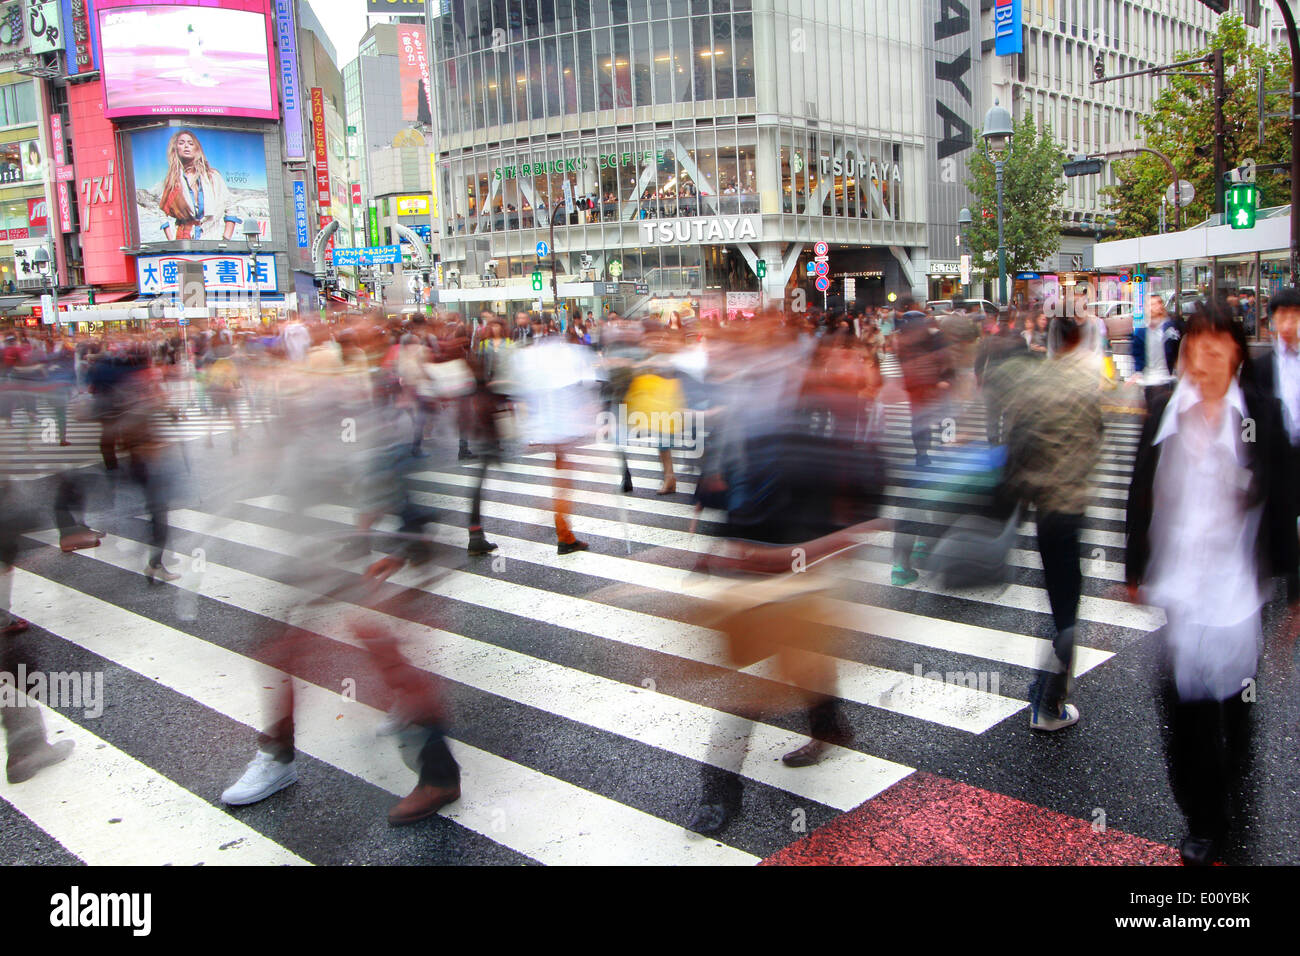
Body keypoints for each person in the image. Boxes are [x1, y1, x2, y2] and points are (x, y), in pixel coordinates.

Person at [1125, 303, 1299, 866]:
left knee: (1236, 710)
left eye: (1217, 346)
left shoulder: (1259, 416)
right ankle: (1205, 818)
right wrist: (1133, 568)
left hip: (1236, 591)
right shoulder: (1162, 413)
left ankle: (1230, 802)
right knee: (1182, 713)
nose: (1204, 357)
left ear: (1236, 356)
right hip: (1181, 587)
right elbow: (1138, 491)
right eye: (1195, 345)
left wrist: (1294, 590)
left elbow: (1285, 501)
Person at [1003, 315, 1104, 731]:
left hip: (1044, 507)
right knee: (1067, 605)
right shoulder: (1085, 385)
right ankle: (1050, 702)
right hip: (1072, 505)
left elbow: (1016, 442)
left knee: (1057, 594)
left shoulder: (1033, 382)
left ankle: (1047, 695)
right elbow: (1096, 437)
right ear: (1077, 341)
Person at [156, 130, 241, 241]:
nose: (186, 146)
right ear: (175, 149)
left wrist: (226, 239)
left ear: (197, 148)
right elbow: (162, 212)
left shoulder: (213, 177)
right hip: (183, 242)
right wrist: (171, 240)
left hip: (211, 240)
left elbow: (230, 207)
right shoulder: (173, 181)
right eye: (181, 143)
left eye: (191, 143)